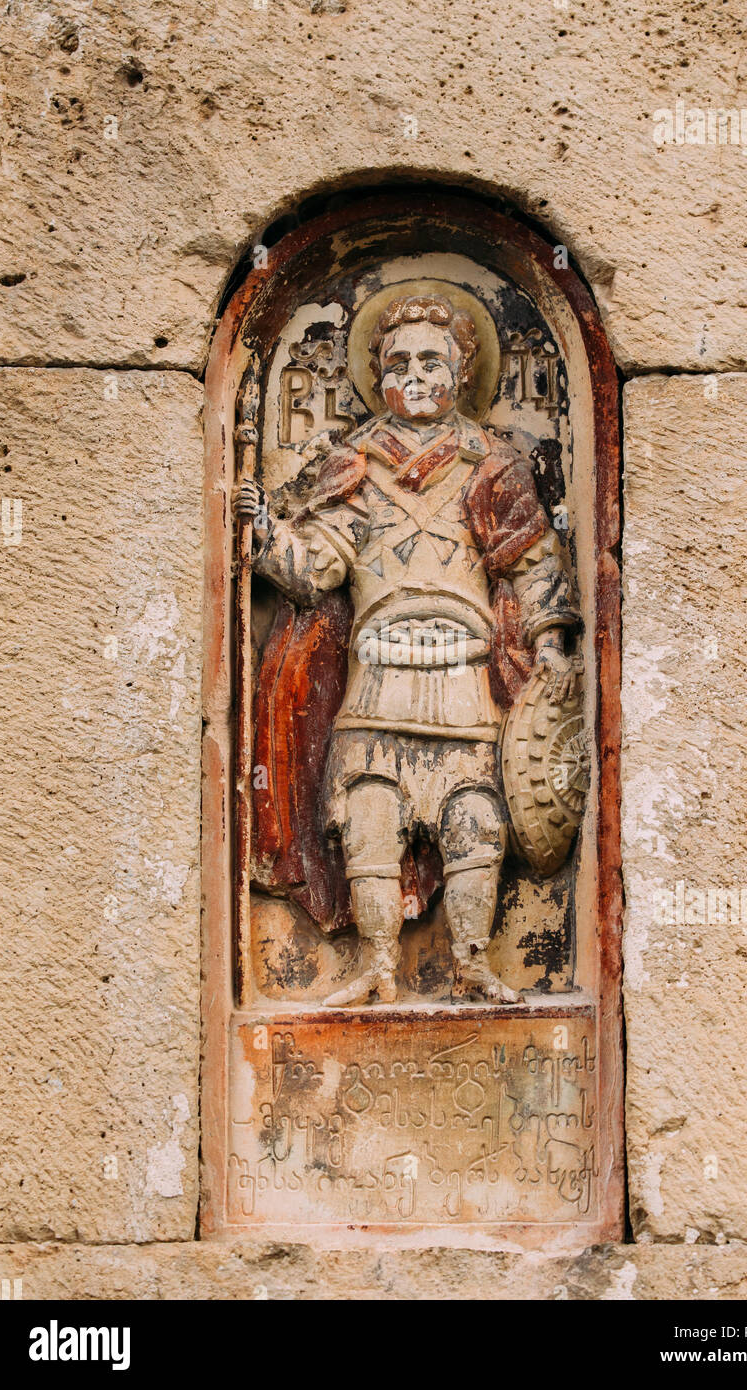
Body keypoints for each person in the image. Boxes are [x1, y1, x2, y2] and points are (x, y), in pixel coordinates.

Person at [233, 294, 578, 1005]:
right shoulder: (353, 465)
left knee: (476, 820)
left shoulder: (491, 463)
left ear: (461, 367)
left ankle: (476, 964)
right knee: (370, 815)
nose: (415, 375)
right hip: (380, 676)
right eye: (398, 363)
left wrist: (553, 647)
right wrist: (265, 532)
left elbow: (536, 562)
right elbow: (315, 569)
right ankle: (376, 964)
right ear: (377, 374)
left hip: (463, 674)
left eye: (431, 360)